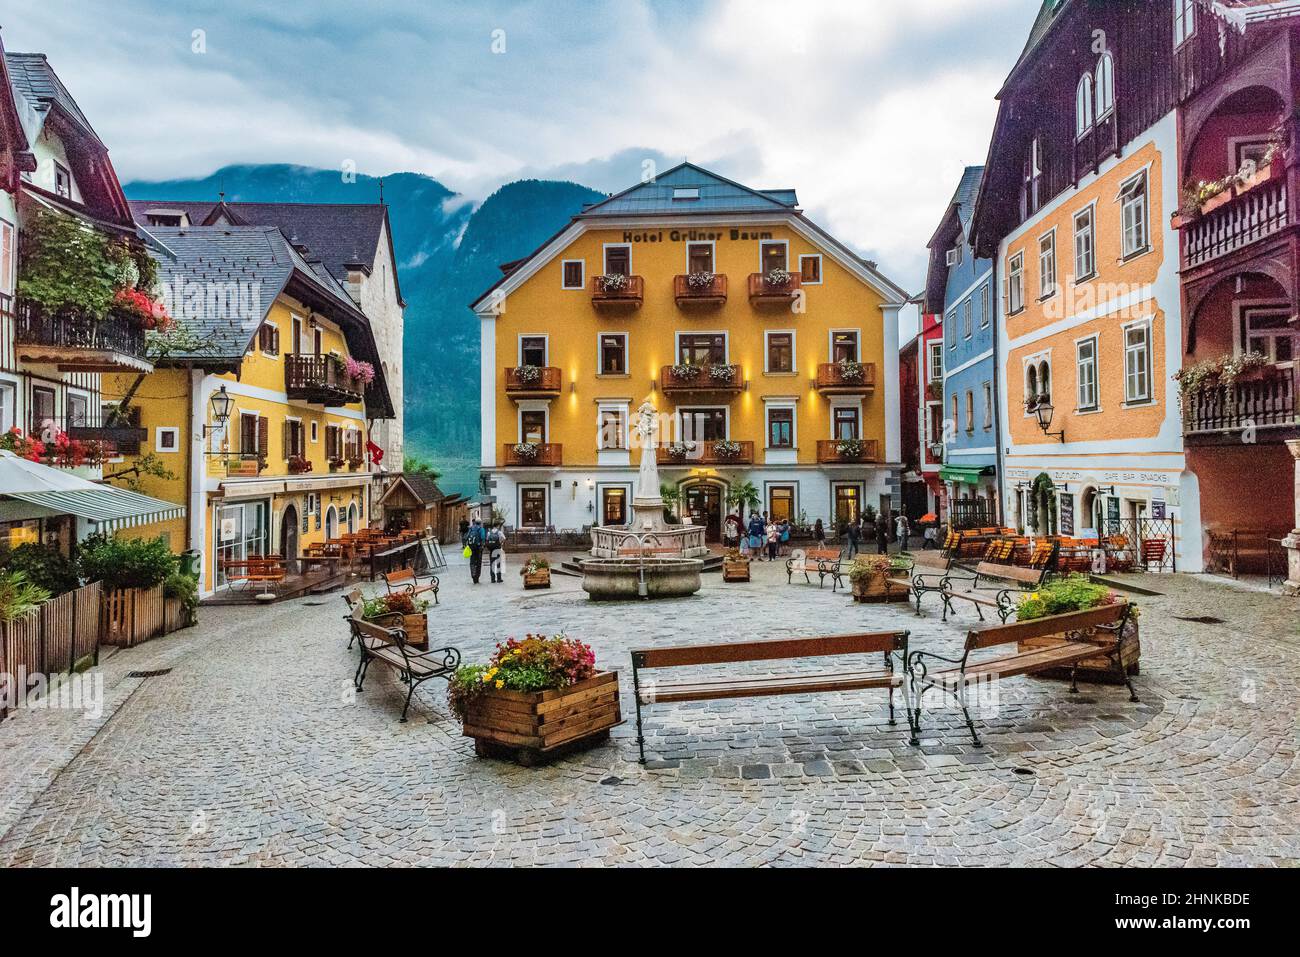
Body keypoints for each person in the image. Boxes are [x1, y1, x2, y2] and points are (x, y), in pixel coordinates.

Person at [464, 517, 487, 583]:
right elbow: (483, 537)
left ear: (475, 522)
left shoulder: (471, 528)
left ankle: (473, 574)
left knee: (472, 561)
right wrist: (482, 545)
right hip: (478, 547)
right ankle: (477, 576)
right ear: (480, 523)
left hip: (471, 547)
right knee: (478, 562)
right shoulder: (481, 529)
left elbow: (467, 537)